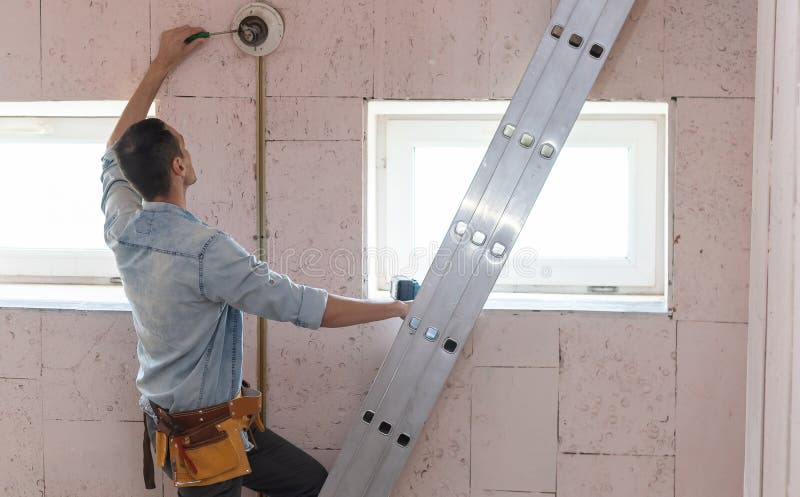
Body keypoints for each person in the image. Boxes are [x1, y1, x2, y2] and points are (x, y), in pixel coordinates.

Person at [101, 26, 409, 497]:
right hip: (202, 443)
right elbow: (306, 308)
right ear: (179, 166)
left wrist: (160, 67)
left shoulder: (123, 226)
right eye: (184, 145)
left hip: (193, 423)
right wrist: (392, 310)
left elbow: (113, 153)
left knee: (308, 484)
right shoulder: (208, 251)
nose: (188, 149)